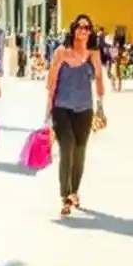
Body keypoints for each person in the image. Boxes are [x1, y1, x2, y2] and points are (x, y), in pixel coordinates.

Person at [46, 14, 106, 217]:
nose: (84, 30)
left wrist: (100, 106)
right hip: (61, 108)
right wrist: (47, 112)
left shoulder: (93, 55)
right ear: (73, 30)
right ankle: (65, 195)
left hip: (84, 109)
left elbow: (99, 80)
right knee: (67, 146)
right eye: (80, 27)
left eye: (87, 28)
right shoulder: (61, 53)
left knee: (80, 152)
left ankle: (74, 192)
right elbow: (51, 83)